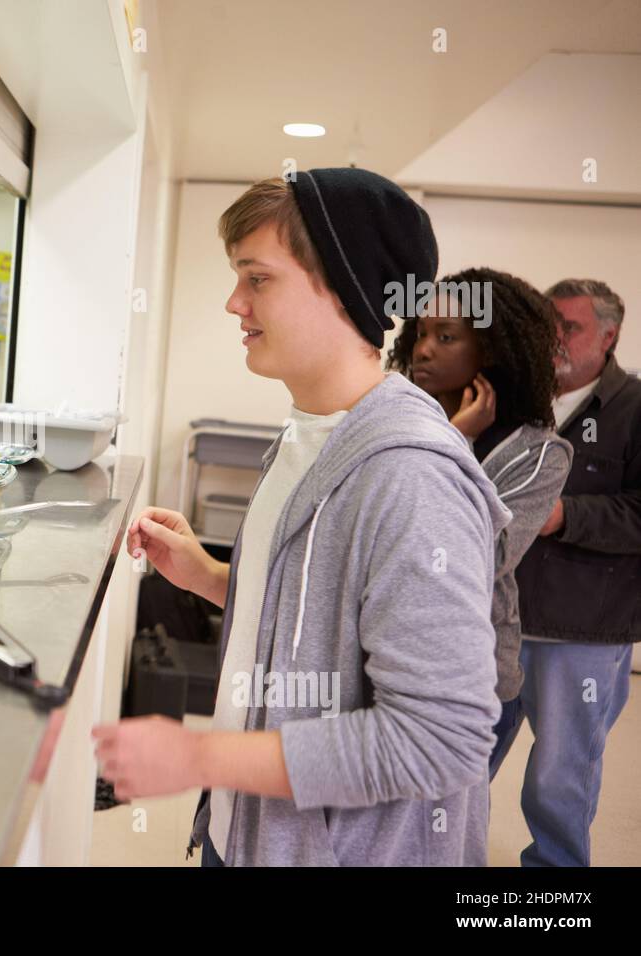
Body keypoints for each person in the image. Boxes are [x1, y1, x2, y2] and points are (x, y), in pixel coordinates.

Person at [92, 169, 508, 866]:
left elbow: (443, 739)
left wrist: (201, 755)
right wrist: (214, 578)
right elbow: (328, 615)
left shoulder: (410, 475)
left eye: (257, 279)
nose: (233, 302)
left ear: (344, 291)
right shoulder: (309, 432)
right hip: (245, 835)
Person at [385, 268, 571, 778]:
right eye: (421, 333)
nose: (424, 349)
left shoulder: (539, 454)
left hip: (473, 681)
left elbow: (479, 555)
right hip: (385, 666)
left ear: (489, 349)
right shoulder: (393, 420)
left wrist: (454, 442)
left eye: (446, 337)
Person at [509, 278, 639, 866]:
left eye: (572, 326)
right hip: (496, 618)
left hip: (581, 632)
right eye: (550, 324)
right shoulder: (517, 399)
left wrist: (563, 516)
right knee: (455, 757)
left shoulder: (635, 410)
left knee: (558, 781)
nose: (555, 338)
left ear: (609, 336)